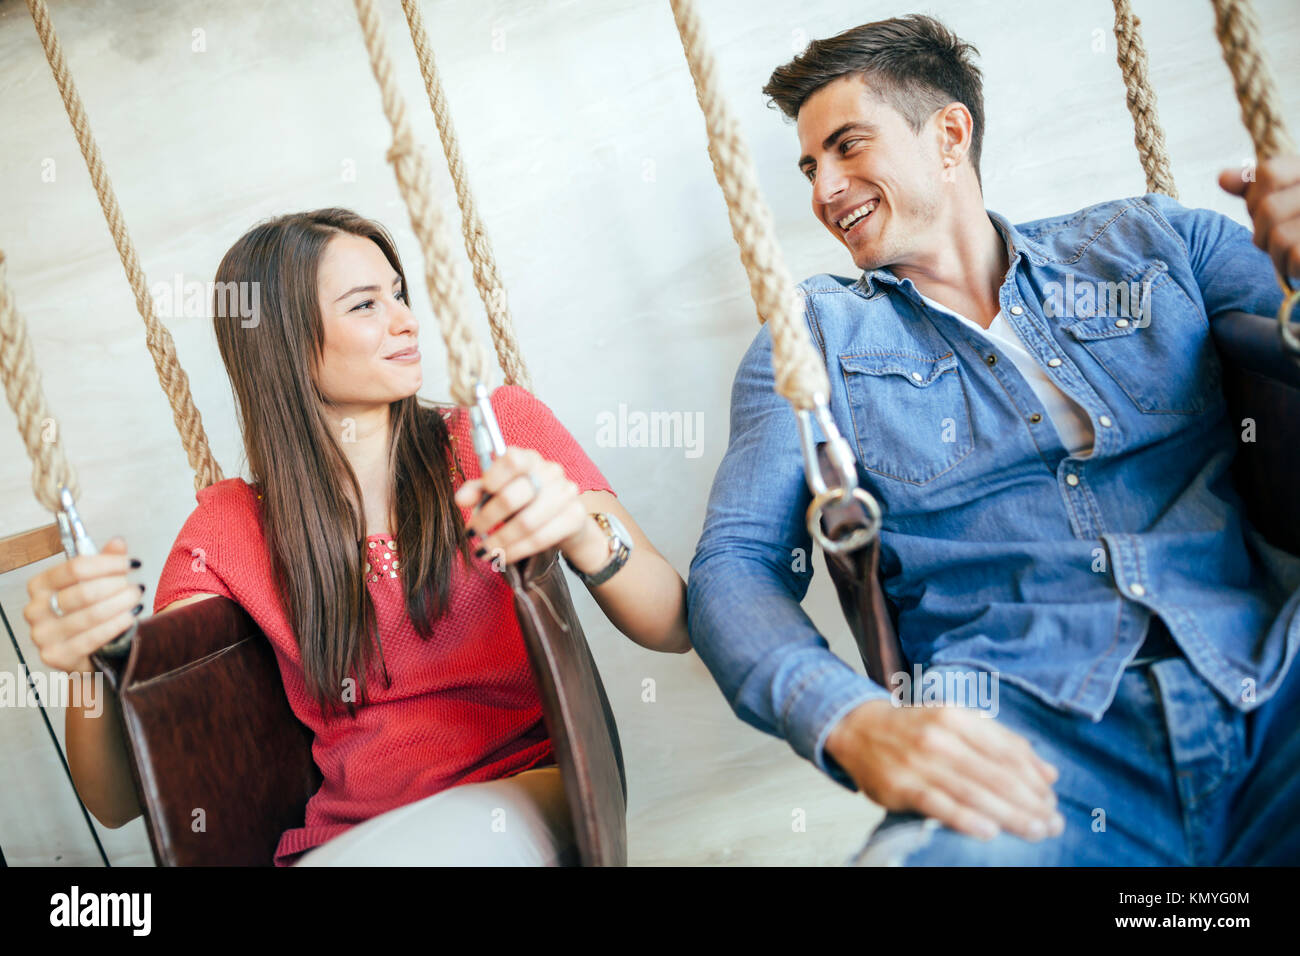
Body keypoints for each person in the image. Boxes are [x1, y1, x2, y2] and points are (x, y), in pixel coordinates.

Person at [687, 14, 1300, 865]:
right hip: (1020, 751)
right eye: (809, 166)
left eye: (847, 147)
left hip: (1271, 691)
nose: (824, 190)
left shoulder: (1158, 243)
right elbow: (734, 564)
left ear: (949, 134)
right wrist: (848, 719)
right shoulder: (811, 338)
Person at [22, 208, 690, 866]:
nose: (406, 319)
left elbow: (671, 623)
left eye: (398, 293)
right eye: (365, 305)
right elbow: (119, 801)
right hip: (345, 843)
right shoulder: (228, 529)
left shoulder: (497, 434)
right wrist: (83, 666)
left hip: (524, 796)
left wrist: (578, 530)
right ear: (284, 344)